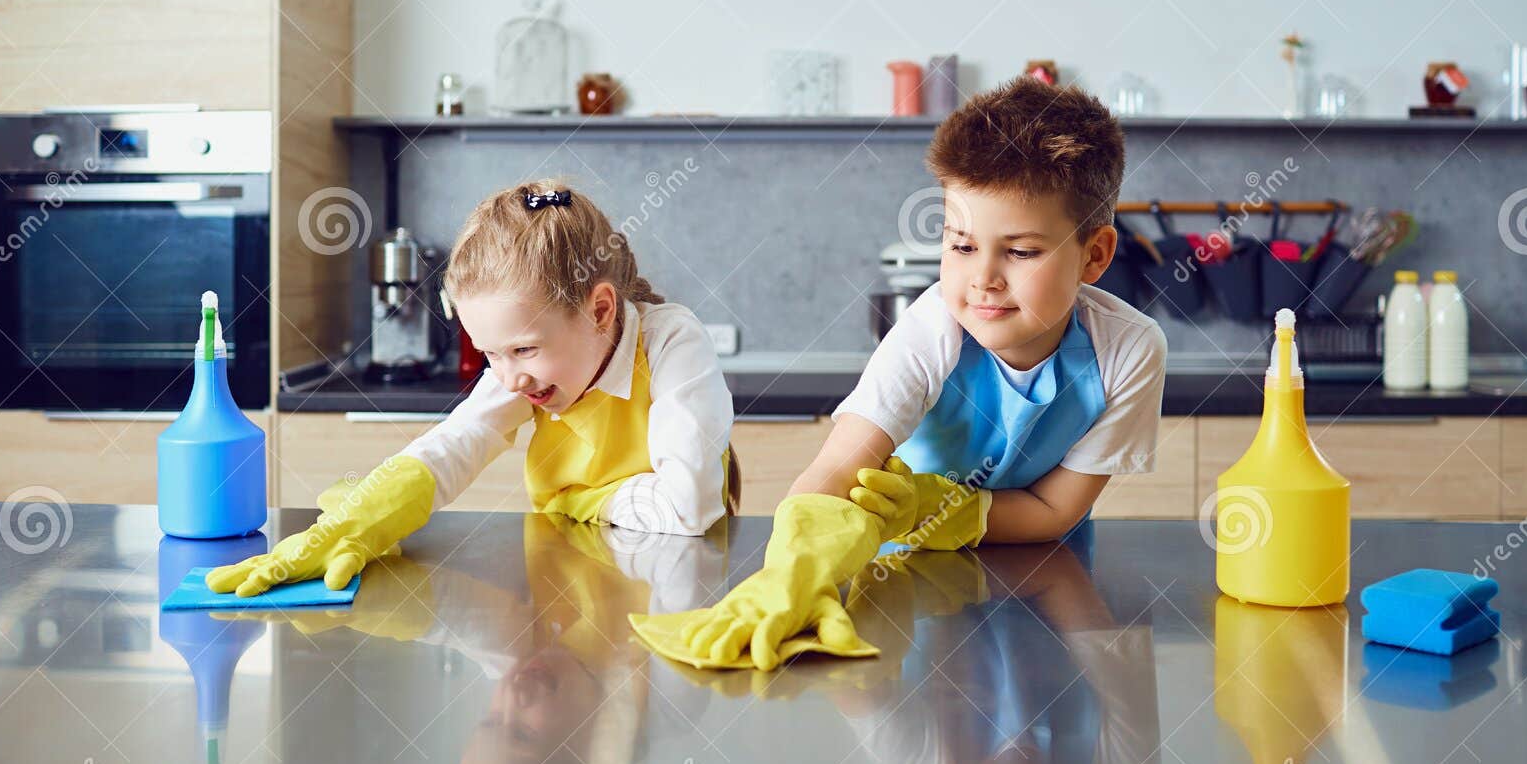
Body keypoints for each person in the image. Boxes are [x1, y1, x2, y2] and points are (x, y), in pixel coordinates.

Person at [632, 76, 1167, 670]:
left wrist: (940, 507)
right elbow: (838, 468)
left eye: (1020, 252)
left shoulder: (1129, 351)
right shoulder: (931, 329)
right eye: (961, 246)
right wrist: (789, 575)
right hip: (903, 588)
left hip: (1045, 588)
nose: (983, 279)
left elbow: (1055, 511)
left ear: (1095, 255)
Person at [207, 180, 740, 598]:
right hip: (571, 583)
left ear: (600, 311)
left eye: (524, 349)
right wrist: (365, 518)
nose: (507, 379)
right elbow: (456, 442)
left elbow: (688, 509)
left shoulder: (670, 342)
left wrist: (580, 500)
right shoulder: (525, 371)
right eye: (490, 354)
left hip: (674, 587)